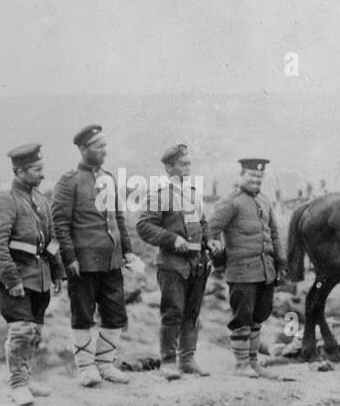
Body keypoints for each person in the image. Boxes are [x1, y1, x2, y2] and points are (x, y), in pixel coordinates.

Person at [52, 124, 144, 387]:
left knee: (115, 315)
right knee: (83, 314)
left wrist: (127, 251)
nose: (105, 151)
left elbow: (118, 219)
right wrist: (69, 258)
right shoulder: (68, 181)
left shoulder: (109, 179)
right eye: (99, 146)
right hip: (83, 263)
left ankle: (104, 365)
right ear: (83, 149)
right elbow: (60, 224)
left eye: (105, 146)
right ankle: (86, 368)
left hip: (111, 262)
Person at [0, 144, 65, 406]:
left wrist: (57, 273)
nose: (42, 174)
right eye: (37, 169)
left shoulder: (41, 200)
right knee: (21, 330)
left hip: (40, 278)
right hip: (18, 278)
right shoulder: (5, 201)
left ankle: (28, 379)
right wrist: (12, 280)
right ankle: (18, 384)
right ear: (20, 172)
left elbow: (51, 242)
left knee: (35, 331)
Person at [137, 144, 214, 379]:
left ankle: (187, 359)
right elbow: (144, 226)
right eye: (183, 164)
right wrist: (171, 239)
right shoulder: (159, 194)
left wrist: (210, 241)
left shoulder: (192, 193)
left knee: (192, 312)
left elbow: (202, 223)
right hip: (172, 264)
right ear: (169, 167)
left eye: (189, 163)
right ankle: (168, 362)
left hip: (196, 263)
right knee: (173, 312)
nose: (188, 168)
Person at [207, 158, 285, 378]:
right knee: (242, 316)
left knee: (259, 316)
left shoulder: (264, 201)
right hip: (241, 271)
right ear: (241, 176)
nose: (255, 180)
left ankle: (253, 362)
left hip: (265, 269)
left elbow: (275, 234)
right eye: (251, 176)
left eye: (259, 177)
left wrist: (281, 262)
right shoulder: (230, 201)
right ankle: (241, 365)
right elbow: (210, 230)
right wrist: (217, 253)